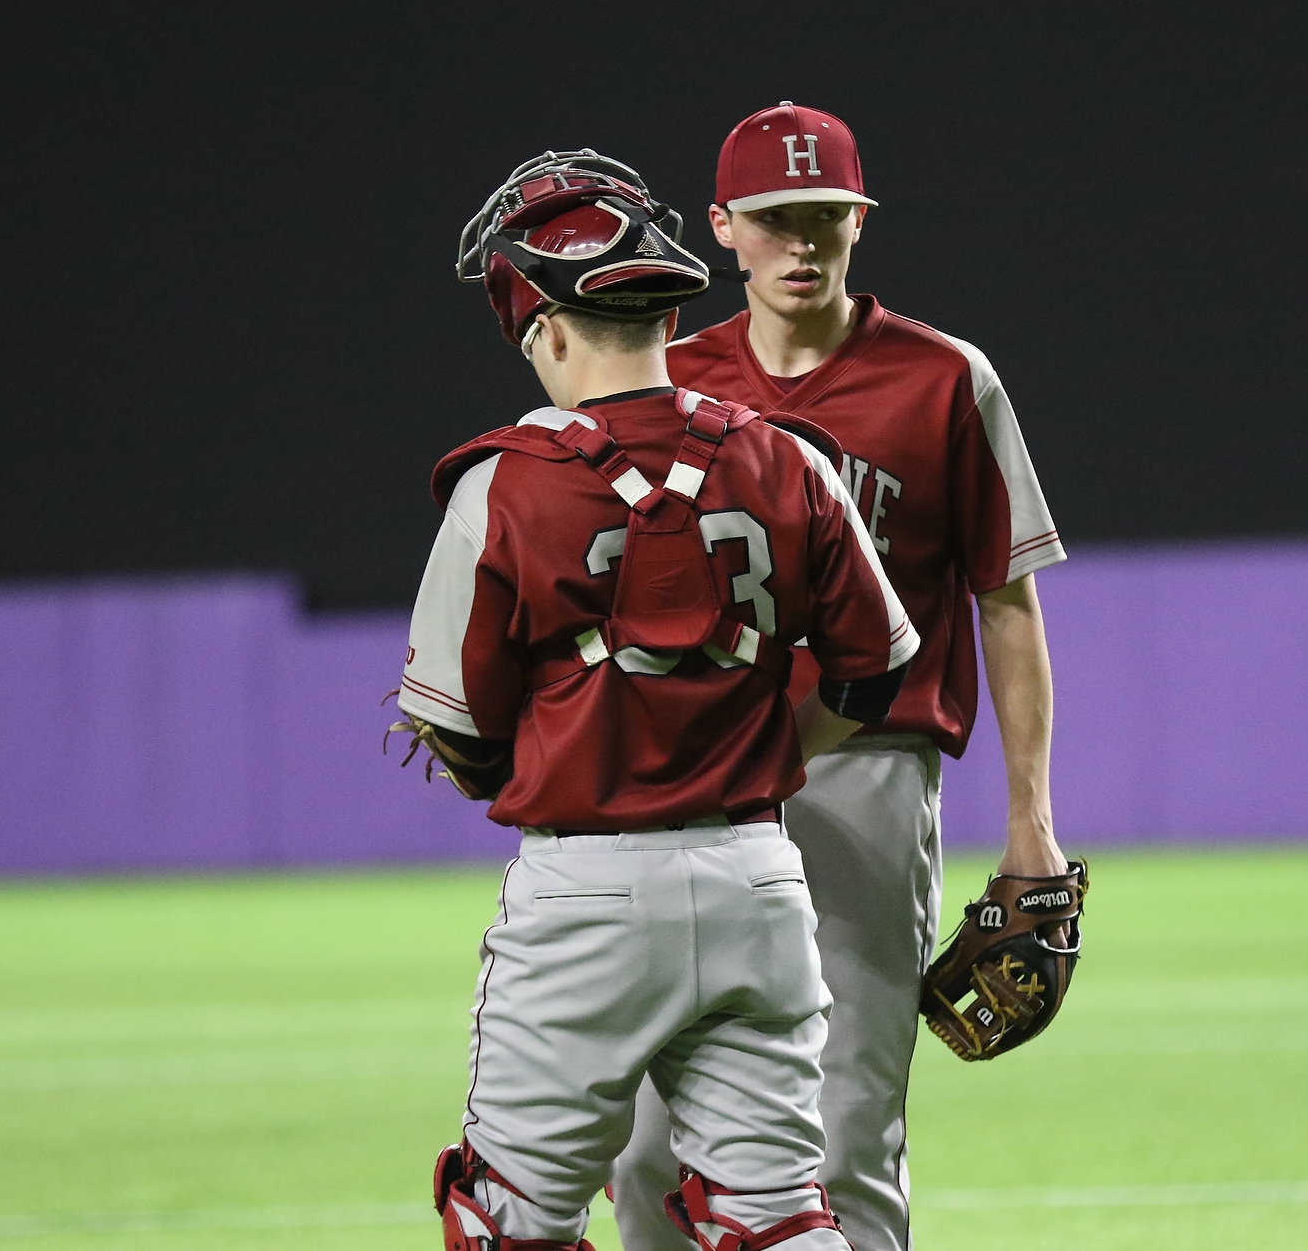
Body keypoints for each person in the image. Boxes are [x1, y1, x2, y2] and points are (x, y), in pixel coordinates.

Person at [393, 149, 919, 1251]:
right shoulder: (789, 460)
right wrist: (763, 749)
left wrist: (575, 759)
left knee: (507, 1221)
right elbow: (874, 672)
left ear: (543, 330)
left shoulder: (502, 483)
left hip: (583, 889)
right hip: (758, 879)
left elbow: (457, 729)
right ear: (667, 312)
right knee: (777, 1218)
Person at [612, 104, 1071, 1251]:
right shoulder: (664, 383)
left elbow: (1005, 604)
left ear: (859, 222)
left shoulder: (945, 379)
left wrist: (1030, 824)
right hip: (694, 785)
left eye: (824, 214)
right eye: (775, 219)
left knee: (847, 1125)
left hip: (866, 775)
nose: (801, 241)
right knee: (646, 1145)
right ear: (724, 228)